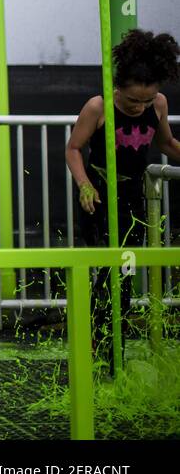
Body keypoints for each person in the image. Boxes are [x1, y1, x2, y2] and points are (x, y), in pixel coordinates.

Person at [65, 29, 180, 367]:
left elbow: (167, 144)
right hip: (98, 195)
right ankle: (92, 347)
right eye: (132, 101)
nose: (139, 107)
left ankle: (113, 347)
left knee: (125, 274)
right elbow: (74, 149)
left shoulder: (157, 104)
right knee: (102, 270)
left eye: (146, 101)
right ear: (119, 89)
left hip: (132, 195)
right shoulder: (98, 106)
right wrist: (84, 184)